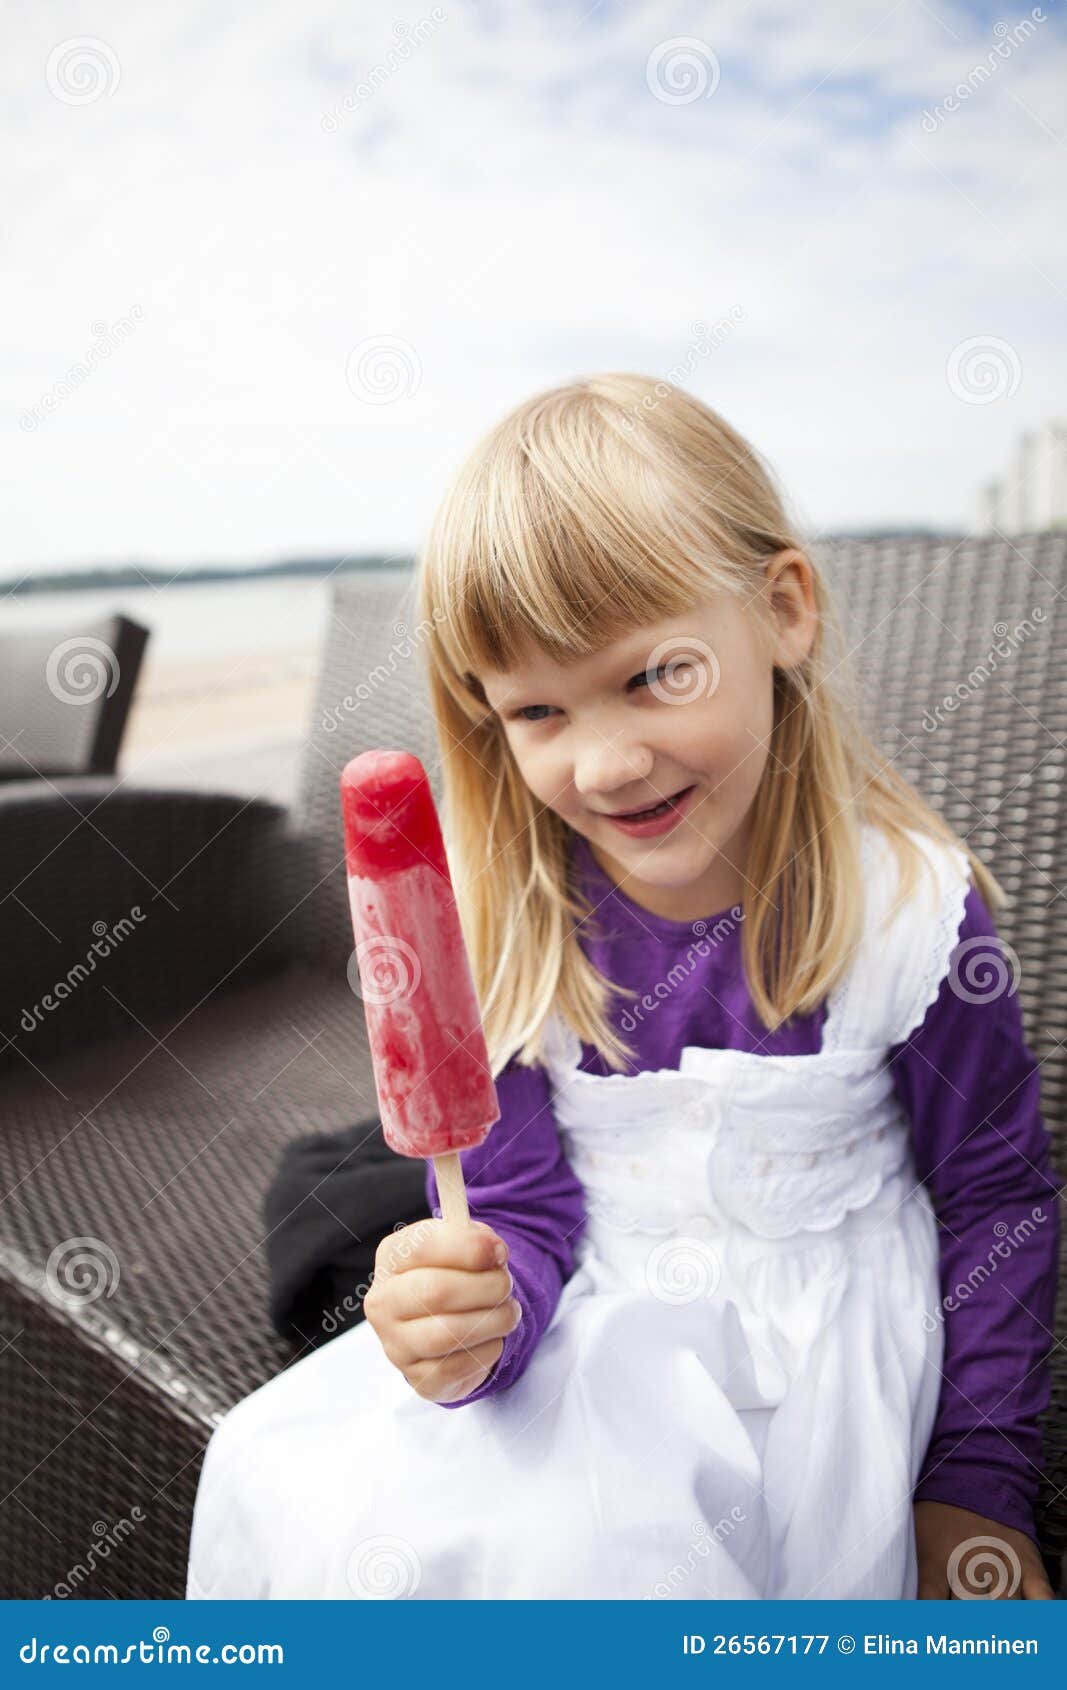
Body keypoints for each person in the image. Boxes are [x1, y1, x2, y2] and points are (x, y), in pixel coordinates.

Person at [185, 373, 1058, 1601]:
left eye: (654, 675)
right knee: (350, 1515)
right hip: (605, 1338)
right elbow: (523, 1219)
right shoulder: (504, 940)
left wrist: (975, 1479)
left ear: (785, 613)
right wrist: (473, 1330)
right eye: (538, 708)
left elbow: (994, 1194)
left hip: (834, 1370)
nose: (605, 761)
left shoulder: (908, 914)